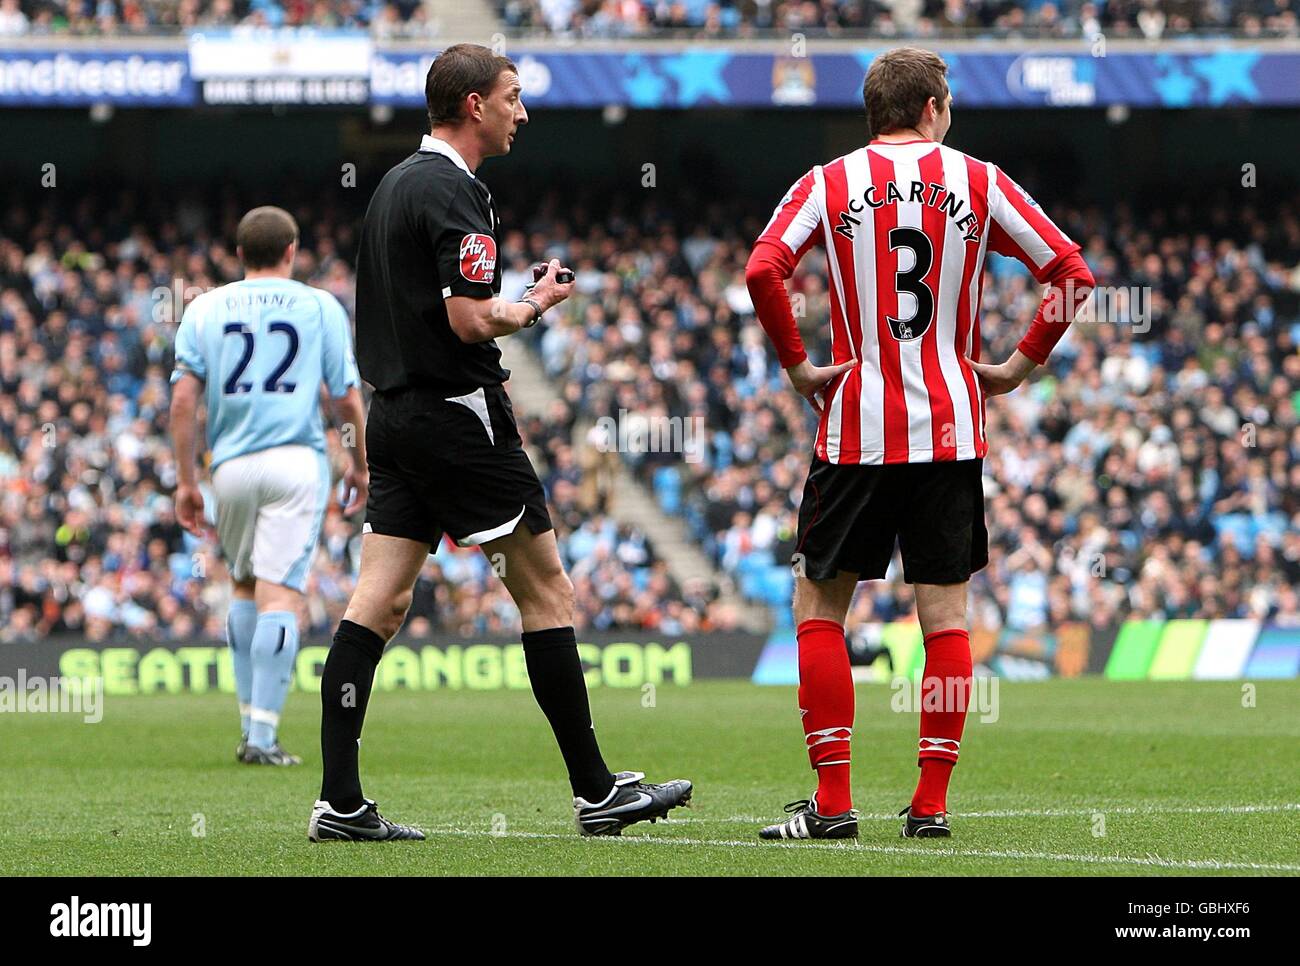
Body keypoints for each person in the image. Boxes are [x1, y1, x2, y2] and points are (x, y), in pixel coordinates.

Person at [307, 43, 691, 843]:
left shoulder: (391, 188)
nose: (524, 112)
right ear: (474, 105)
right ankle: (596, 792)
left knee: (377, 603)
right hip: (457, 414)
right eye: (513, 97)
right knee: (548, 592)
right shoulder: (456, 189)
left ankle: (339, 802)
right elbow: (469, 318)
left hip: (396, 416)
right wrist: (533, 304)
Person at [745, 47, 1094, 840]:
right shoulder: (979, 180)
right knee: (945, 620)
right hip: (950, 428)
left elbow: (763, 270)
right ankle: (930, 805)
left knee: (820, 610)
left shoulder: (827, 182)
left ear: (875, 114)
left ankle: (834, 805)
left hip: (856, 432)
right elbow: (1071, 273)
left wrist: (798, 366)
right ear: (933, 108)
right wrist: (1014, 366)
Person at [170, 205, 367, 766]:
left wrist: (187, 482)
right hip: (295, 462)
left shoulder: (205, 308)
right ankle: (262, 736)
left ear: (239, 255)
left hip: (229, 466)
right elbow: (345, 396)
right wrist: (358, 462)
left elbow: (183, 400)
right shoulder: (318, 305)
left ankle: (247, 723)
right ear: (291, 252)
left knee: (242, 584)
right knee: (280, 593)